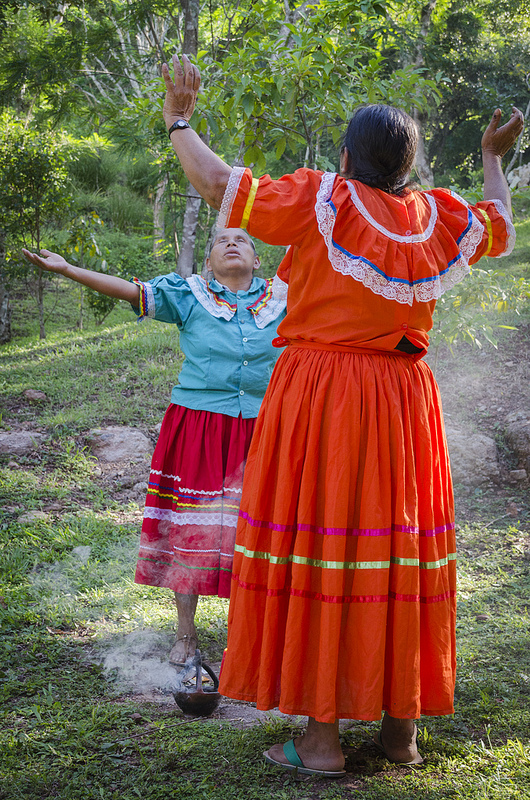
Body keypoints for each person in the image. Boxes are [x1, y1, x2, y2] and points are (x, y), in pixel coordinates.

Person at [161, 54, 524, 774]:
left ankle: (321, 741)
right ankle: (399, 736)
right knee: (395, 548)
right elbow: (504, 223)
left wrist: (179, 116)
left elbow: (212, 181)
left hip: (323, 398)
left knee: (323, 546)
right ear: (410, 166)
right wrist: (490, 158)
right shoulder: (438, 216)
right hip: (404, 402)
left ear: (347, 156)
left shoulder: (321, 199)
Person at [22, 227, 287, 666]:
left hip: (268, 429)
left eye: (242, 240)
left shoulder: (285, 299)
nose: (232, 243)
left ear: (258, 261)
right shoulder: (190, 295)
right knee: (191, 529)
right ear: (209, 262)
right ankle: (186, 636)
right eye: (221, 241)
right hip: (200, 428)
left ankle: (251, 639)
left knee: (262, 530)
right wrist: (68, 269)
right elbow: (131, 290)